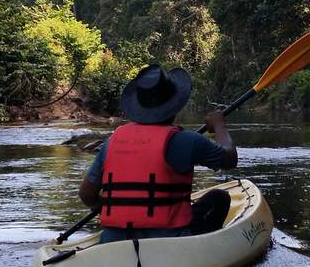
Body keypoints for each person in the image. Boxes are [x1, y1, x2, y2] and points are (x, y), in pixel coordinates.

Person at [79, 64, 238, 243]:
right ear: (175, 105)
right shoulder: (189, 141)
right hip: (170, 244)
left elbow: (86, 195)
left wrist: (115, 209)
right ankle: (204, 252)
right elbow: (230, 158)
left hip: (114, 243)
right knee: (219, 198)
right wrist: (218, 126)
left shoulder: (112, 142)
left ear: (138, 107)